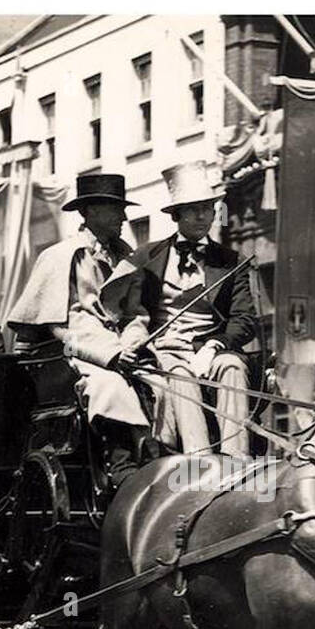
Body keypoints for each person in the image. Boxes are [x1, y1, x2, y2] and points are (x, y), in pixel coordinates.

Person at [8, 174, 153, 488]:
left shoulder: (126, 258)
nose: (124, 217)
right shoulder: (61, 256)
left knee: (161, 381)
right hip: (73, 356)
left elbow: (135, 315)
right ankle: (121, 465)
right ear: (90, 212)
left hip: (122, 351)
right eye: (116, 209)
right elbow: (61, 326)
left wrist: (132, 343)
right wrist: (111, 355)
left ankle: (159, 456)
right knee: (109, 384)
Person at [124, 161, 256, 457]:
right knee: (181, 376)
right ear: (177, 215)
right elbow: (131, 312)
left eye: (207, 208)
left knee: (234, 367)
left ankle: (237, 460)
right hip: (165, 351)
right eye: (193, 209)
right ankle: (199, 461)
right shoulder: (146, 256)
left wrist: (214, 346)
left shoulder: (231, 261)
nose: (201, 216)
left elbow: (245, 319)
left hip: (211, 349)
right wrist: (135, 343)